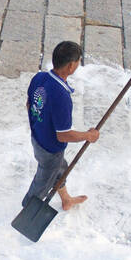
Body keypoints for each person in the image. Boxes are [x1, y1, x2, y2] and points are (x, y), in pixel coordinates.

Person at [24, 41, 99, 211]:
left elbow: (29, 105)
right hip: (50, 149)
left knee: (60, 168)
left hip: (37, 138)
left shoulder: (39, 78)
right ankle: (26, 213)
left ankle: (66, 199)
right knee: (42, 184)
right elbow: (63, 135)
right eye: (78, 61)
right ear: (71, 65)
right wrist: (88, 136)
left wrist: (40, 125)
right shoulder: (62, 97)